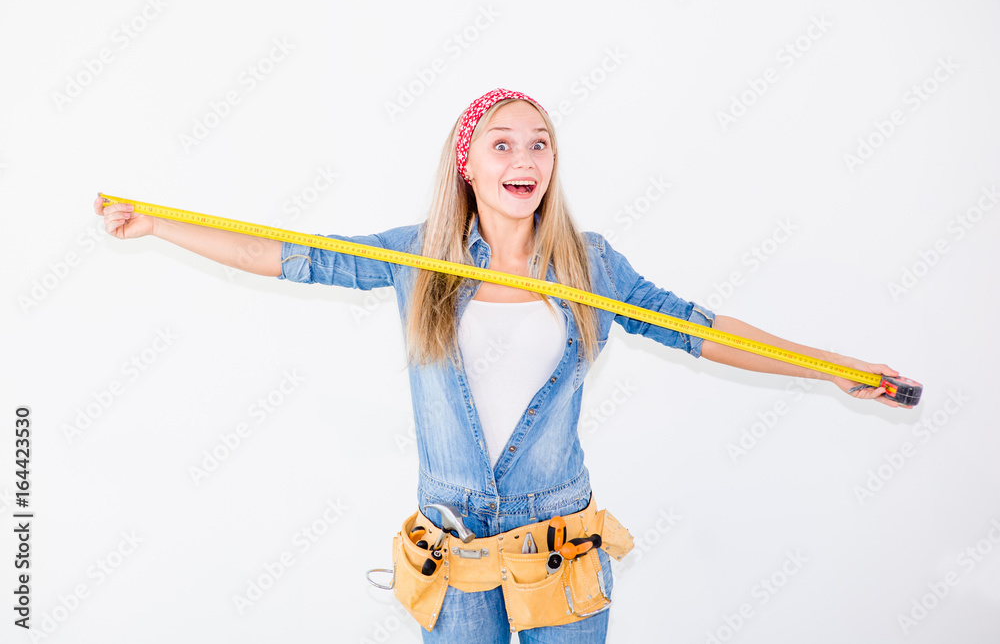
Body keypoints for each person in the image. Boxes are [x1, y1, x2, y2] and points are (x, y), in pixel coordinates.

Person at [94, 88, 898, 642]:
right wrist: (161, 225)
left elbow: (700, 329)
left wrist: (827, 364)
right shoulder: (419, 257)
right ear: (466, 164)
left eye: (540, 144)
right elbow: (290, 257)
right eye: (503, 142)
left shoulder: (591, 264)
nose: (527, 157)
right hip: (452, 542)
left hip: (561, 545)